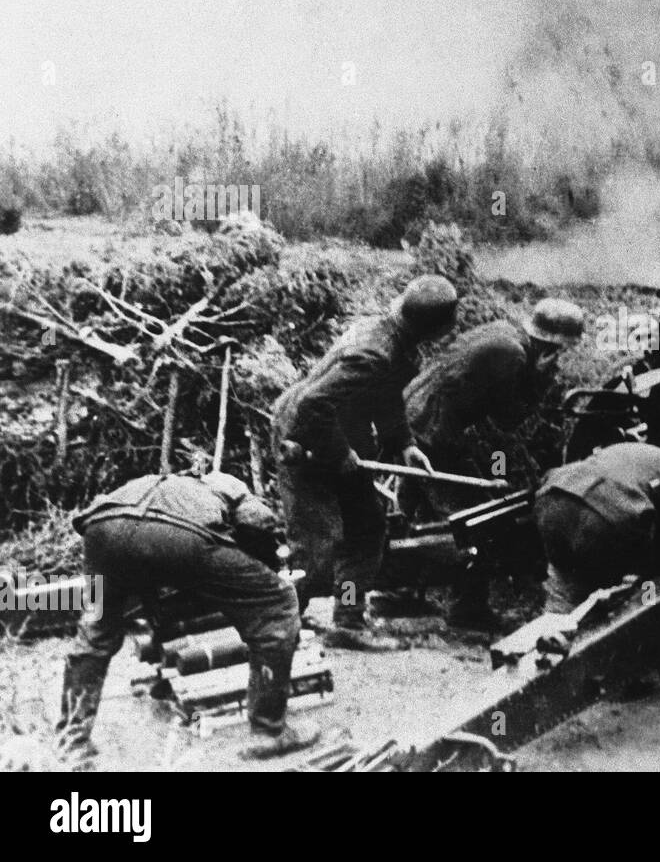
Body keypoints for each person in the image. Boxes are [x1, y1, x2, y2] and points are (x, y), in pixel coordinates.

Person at [58, 472, 317, 761]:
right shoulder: (226, 484)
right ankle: (269, 732)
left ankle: (72, 741)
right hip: (180, 538)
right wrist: (266, 568)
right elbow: (258, 522)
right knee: (277, 604)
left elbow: (136, 533)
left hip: (101, 532)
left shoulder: (154, 482)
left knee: (95, 634)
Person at [272, 275, 458, 650]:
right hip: (304, 436)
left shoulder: (395, 342)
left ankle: (348, 621)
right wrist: (341, 453)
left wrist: (404, 444)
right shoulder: (375, 352)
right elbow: (313, 403)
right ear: (436, 329)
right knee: (315, 544)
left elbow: (386, 397)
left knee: (366, 529)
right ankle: (277, 622)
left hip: (338, 431)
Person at [404, 298, 585, 626]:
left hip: (415, 418)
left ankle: (396, 592)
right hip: (432, 431)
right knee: (476, 521)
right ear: (551, 346)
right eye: (560, 353)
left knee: (410, 509)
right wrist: (540, 381)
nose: (560, 361)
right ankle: (466, 609)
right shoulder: (513, 355)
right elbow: (506, 420)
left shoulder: (505, 334)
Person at [534, 442, 660, 613]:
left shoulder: (642, 454)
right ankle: (644, 618)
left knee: (566, 583)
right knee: (636, 584)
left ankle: (557, 621)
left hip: (553, 496)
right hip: (603, 516)